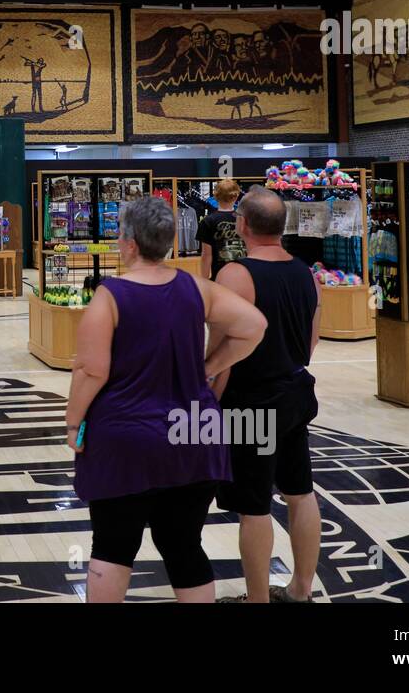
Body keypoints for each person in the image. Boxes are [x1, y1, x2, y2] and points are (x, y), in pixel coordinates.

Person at [65, 197, 266, 603]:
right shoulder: (196, 287)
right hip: (193, 433)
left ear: (130, 243)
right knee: (183, 545)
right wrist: (209, 366)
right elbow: (254, 325)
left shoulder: (111, 295)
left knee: (113, 548)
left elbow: (91, 370)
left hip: (126, 435)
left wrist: (73, 424)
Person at [212, 187, 323, 604]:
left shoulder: (235, 275)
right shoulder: (306, 273)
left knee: (254, 504)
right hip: (295, 391)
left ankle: (257, 599)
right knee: (300, 491)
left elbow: (220, 353)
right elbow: (311, 342)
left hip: (251, 401)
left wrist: (209, 399)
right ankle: (301, 590)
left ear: (242, 225)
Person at [197, 179, 247, 281]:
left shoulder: (207, 222)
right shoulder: (245, 219)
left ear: (215, 196)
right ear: (236, 196)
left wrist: (204, 281)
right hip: (244, 275)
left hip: (220, 277)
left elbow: (206, 255)